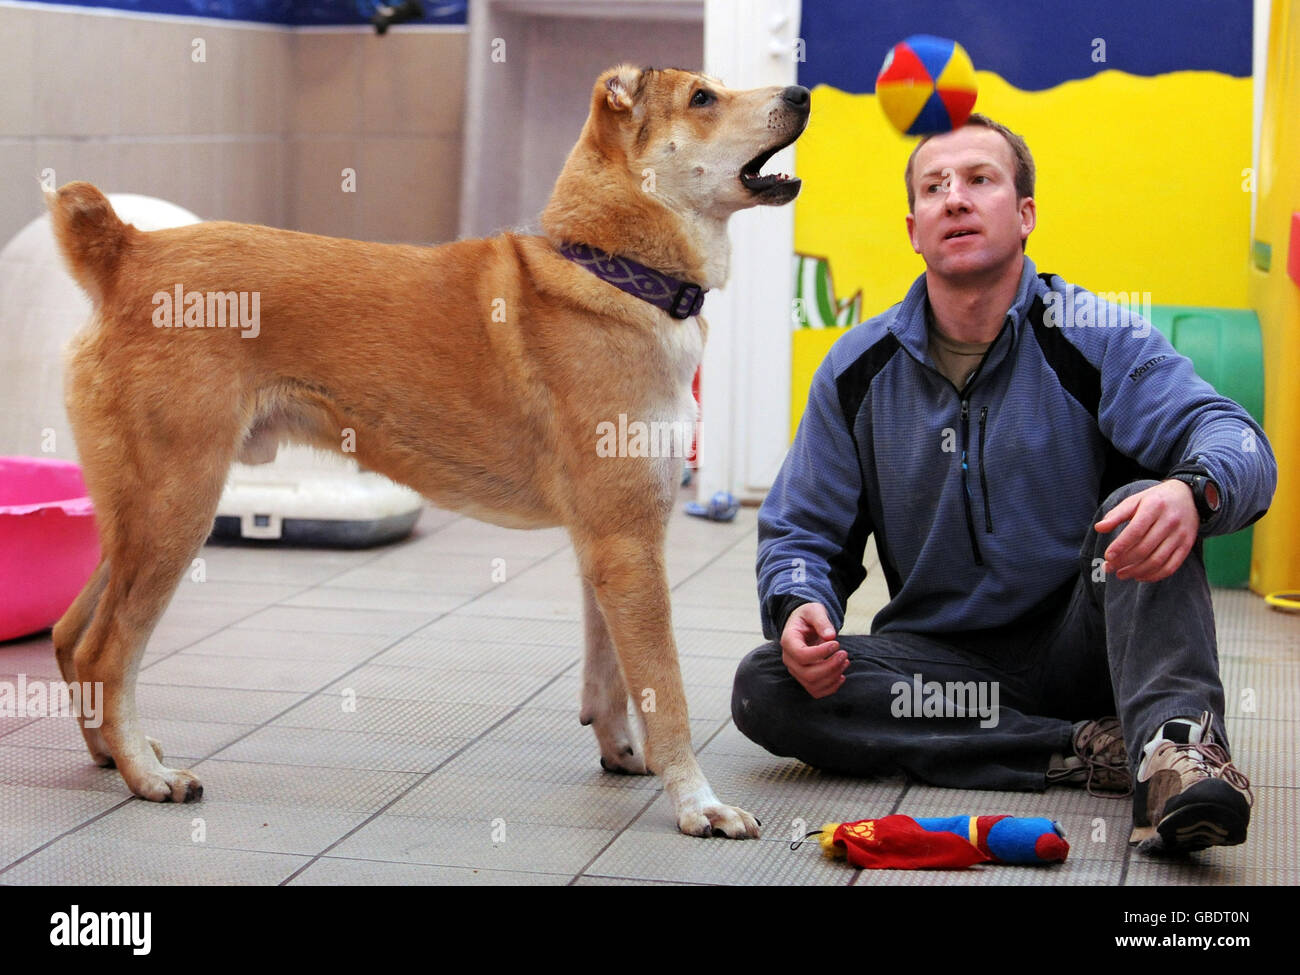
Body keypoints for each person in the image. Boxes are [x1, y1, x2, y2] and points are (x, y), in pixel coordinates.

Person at [732, 114, 1276, 854]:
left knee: (1139, 504)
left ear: (1025, 216)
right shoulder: (857, 369)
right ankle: (1079, 747)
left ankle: (1178, 752)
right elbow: (803, 531)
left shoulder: (1094, 334)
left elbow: (1235, 438)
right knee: (767, 684)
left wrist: (1191, 490)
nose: (954, 198)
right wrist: (798, 602)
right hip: (942, 667)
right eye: (934, 188)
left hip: (1085, 643)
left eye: (980, 181)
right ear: (913, 228)